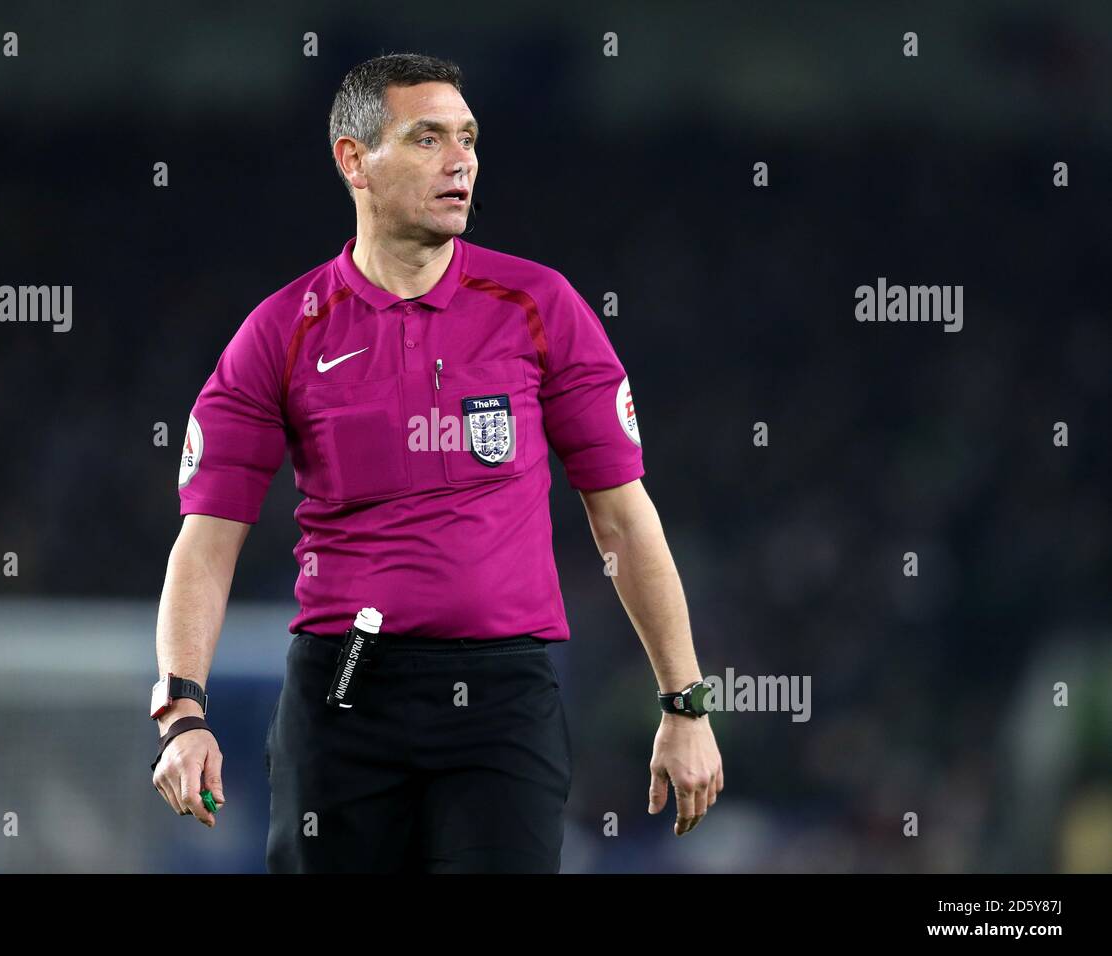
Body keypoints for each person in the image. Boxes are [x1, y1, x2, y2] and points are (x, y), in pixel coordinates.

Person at [150, 52, 723, 872]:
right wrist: (184, 713)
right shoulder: (282, 332)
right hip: (344, 693)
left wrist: (685, 703)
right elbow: (206, 542)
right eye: (427, 139)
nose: (460, 161)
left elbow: (624, 519)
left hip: (501, 702)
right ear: (354, 160)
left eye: (468, 138)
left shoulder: (541, 308)